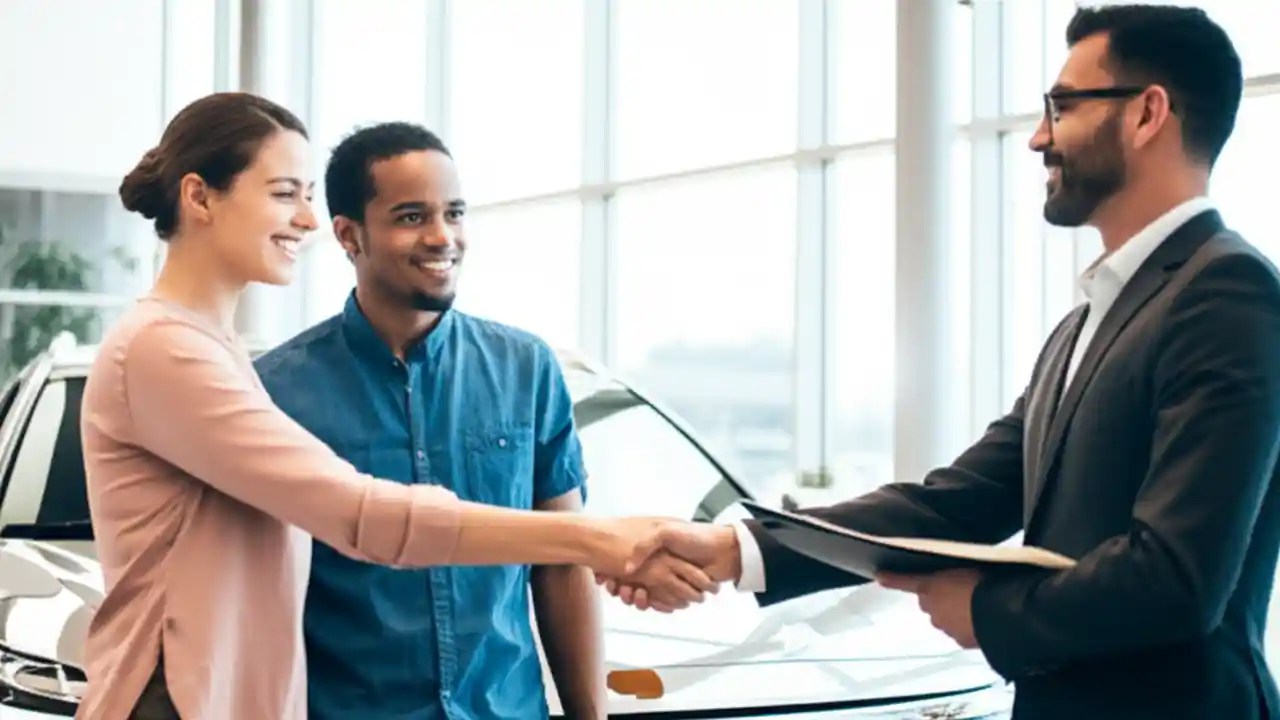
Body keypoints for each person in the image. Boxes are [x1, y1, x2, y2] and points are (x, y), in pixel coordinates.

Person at [606, 5, 1280, 719]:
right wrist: (734, 547)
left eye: (1062, 106)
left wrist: (988, 610)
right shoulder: (1087, 322)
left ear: (1147, 115)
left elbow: (1176, 577)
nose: (1037, 137)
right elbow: (958, 501)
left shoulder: (1226, 294)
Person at [77, 92, 687, 720]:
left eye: (308, 195)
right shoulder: (167, 352)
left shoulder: (214, 351)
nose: (308, 220)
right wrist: (596, 539)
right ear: (200, 197)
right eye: (286, 193)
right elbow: (359, 513)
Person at [253, 122, 713, 720]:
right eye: (412, 217)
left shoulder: (526, 369)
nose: (443, 237)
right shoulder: (277, 391)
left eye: (456, 213)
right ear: (349, 235)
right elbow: (259, 593)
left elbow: (560, 564)